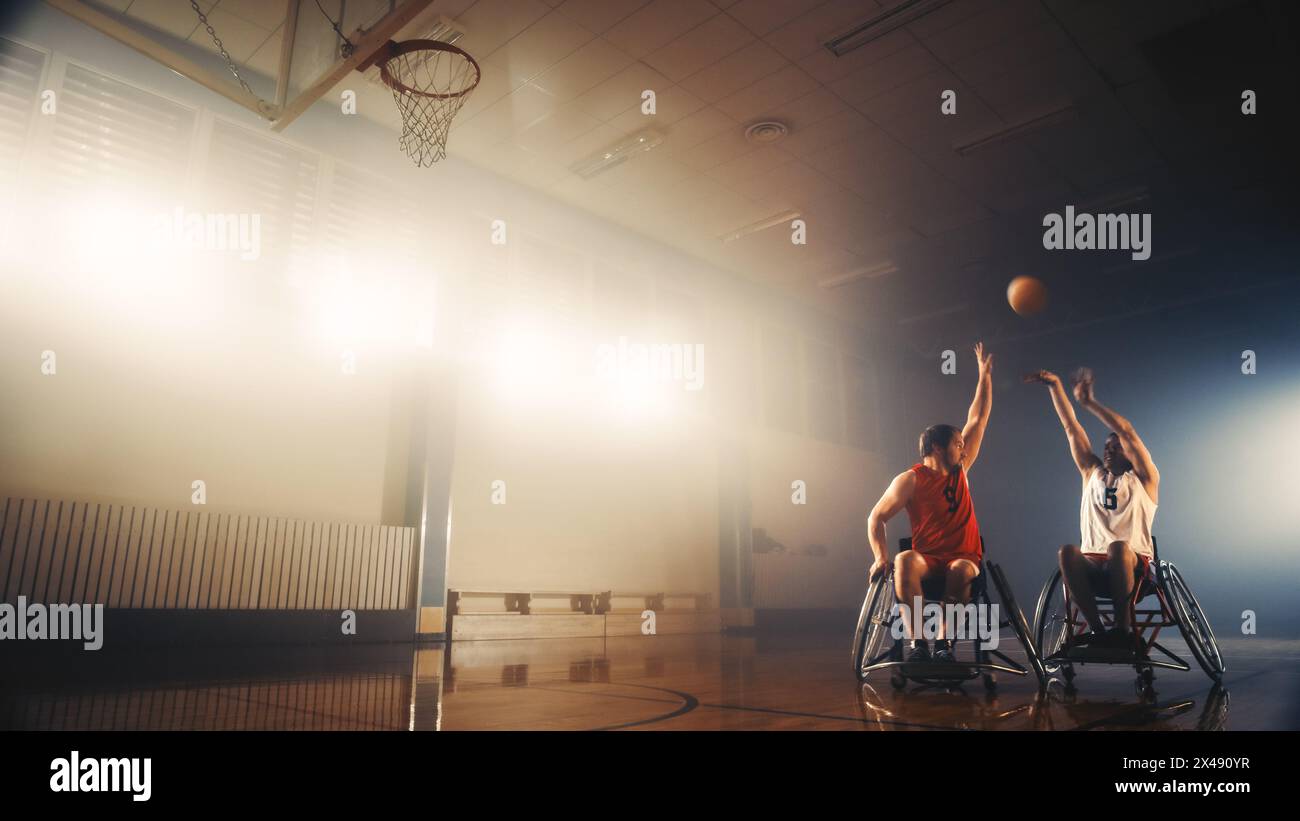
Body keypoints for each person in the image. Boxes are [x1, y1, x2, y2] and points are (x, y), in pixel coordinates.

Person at [867, 343, 993, 663]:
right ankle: (918, 642)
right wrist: (880, 557)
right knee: (904, 559)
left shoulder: (960, 470)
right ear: (937, 447)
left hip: (962, 556)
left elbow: (977, 418)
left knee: (961, 569)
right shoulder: (910, 480)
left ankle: (943, 643)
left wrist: (984, 376)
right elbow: (876, 518)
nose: (964, 450)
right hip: (929, 558)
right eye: (958, 444)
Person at [1024, 367, 1159, 652]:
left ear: (1130, 454)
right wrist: (1055, 386)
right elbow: (1071, 428)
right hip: (1094, 567)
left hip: (1135, 569)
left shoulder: (1145, 479)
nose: (1108, 450)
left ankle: (1122, 631)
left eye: (1116, 447)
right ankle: (1099, 633)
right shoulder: (1091, 473)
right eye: (1106, 446)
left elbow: (1127, 430)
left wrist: (1088, 402)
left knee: (1119, 548)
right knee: (1067, 551)